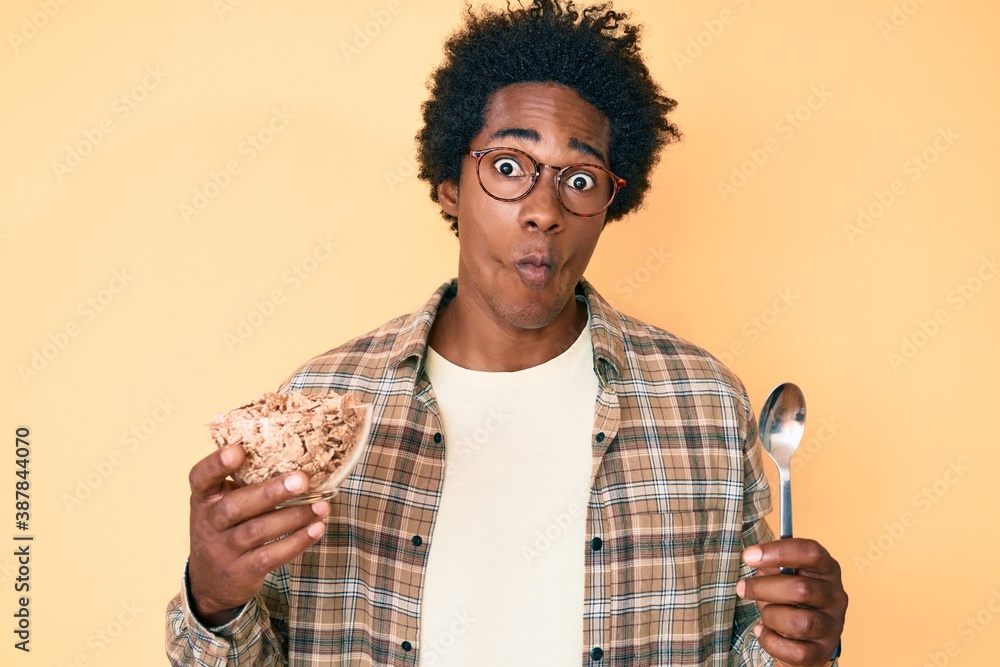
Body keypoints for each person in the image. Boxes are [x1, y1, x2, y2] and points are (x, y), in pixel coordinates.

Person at [165, 1, 848, 665]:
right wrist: (215, 599)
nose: (544, 211)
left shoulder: (702, 403)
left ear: (610, 205)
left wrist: (797, 643)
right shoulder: (325, 405)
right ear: (449, 186)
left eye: (579, 179)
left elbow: (755, 647)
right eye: (509, 167)